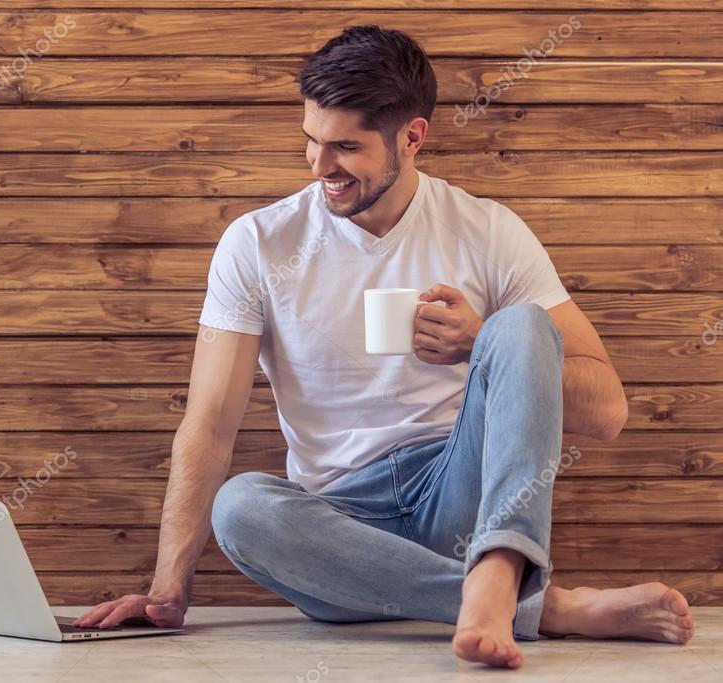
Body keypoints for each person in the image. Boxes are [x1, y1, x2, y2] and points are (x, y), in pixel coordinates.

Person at [74, 25, 696, 669]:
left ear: (412, 137)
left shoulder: (488, 231)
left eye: (345, 147)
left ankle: (498, 568)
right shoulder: (258, 244)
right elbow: (207, 425)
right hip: (335, 536)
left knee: (518, 328)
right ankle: (539, 607)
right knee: (242, 507)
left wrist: (479, 345)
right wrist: (168, 589)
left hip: (458, 501)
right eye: (311, 141)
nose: (320, 169)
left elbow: (609, 411)